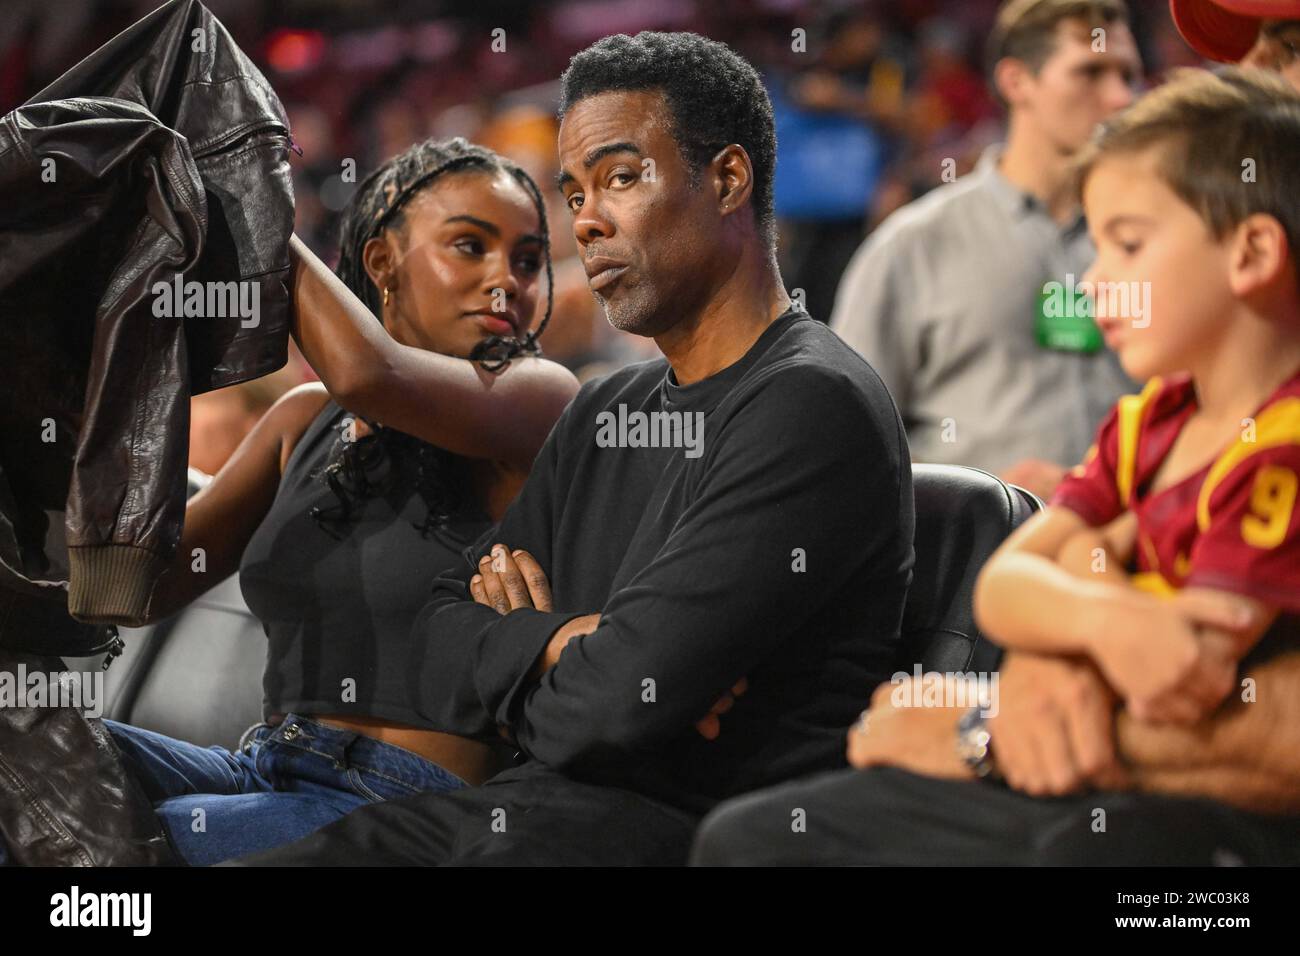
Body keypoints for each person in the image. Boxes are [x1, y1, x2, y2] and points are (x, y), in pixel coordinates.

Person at [226, 30, 913, 868]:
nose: (585, 221)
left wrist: (537, 652)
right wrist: (565, 646)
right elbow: (439, 644)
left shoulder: (809, 403)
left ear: (728, 179)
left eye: (621, 178)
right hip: (507, 818)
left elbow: (620, 706)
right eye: (574, 190)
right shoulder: (606, 408)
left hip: (663, 839)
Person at [691, 66, 1300, 866]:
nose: (1091, 282)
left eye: (1127, 243)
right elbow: (1006, 587)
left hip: (1202, 814)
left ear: (1252, 251)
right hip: (1093, 758)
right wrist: (1102, 616)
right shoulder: (1149, 420)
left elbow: (1189, 672)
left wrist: (1049, 650)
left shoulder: (1276, 448)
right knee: (749, 839)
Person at [96, 138, 580, 866]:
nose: (504, 280)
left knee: (135, 843)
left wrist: (236, 192)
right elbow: (134, 590)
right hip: (263, 767)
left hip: (404, 803)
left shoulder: (539, 396)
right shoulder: (303, 418)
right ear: (383, 264)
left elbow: (367, 373)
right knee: (26, 746)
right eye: (470, 247)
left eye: (527, 259)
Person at [830, 0, 1141, 500]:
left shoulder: (1159, 243)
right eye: (1091, 72)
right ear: (1017, 81)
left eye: (1129, 76)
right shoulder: (914, 244)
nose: (1120, 98)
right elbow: (844, 443)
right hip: (967, 566)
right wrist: (979, 502)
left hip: (1132, 558)